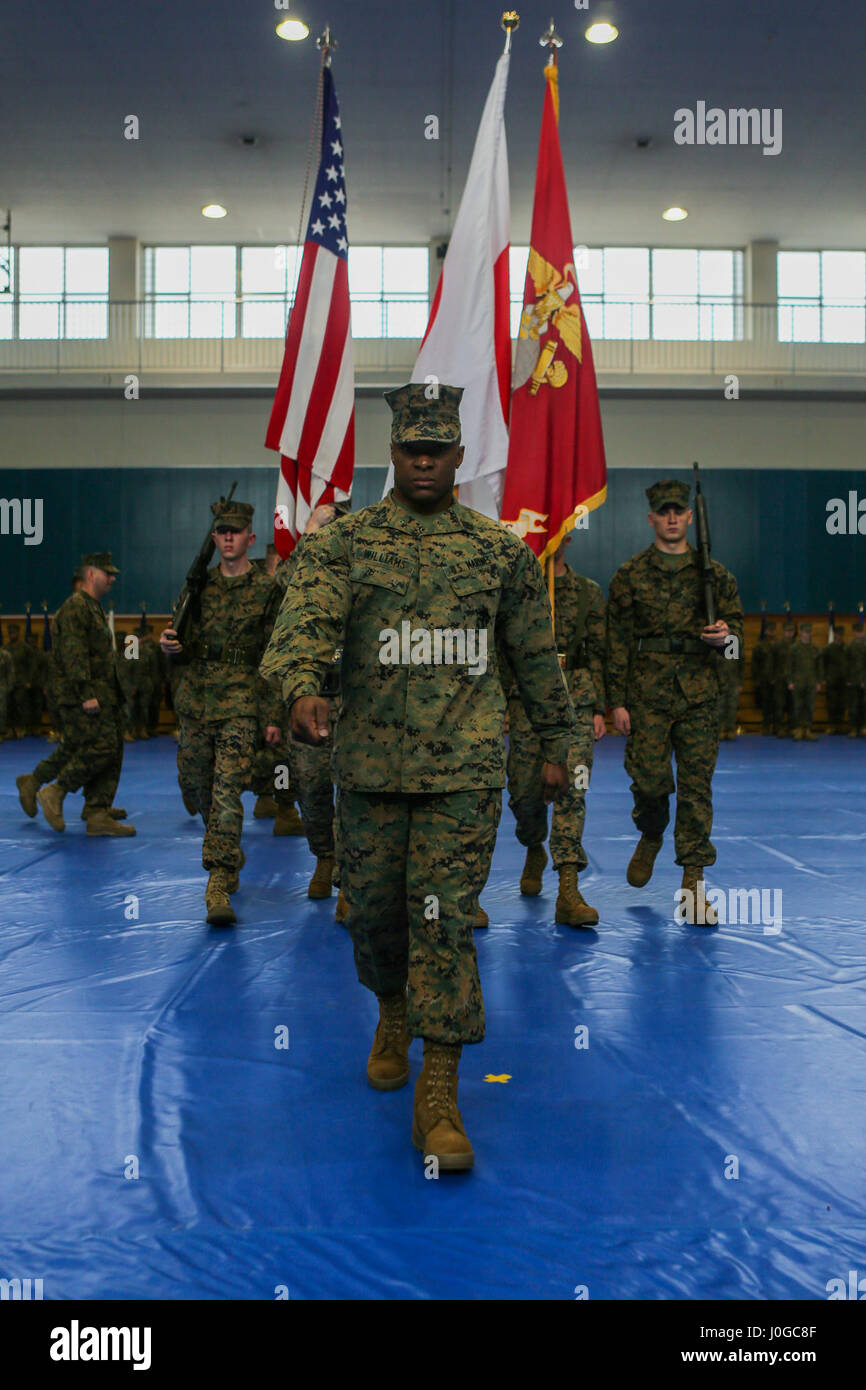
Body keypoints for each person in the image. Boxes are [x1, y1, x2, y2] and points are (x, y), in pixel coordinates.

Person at [260, 383, 575, 1172]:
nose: (425, 461)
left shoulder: (501, 554)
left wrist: (559, 747)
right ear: (393, 454)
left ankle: (440, 1090)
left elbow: (537, 663)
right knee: (371, 918)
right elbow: (302, 627)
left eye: (438, 450)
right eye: (411, 449)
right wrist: (303, 688)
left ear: (460, 457)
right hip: (366, 771)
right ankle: (391, 1011)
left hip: (463, 777)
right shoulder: (347, 544)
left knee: (444, 923)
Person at [606, 479, 744, 927]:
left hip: (699, 693)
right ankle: (651, 831)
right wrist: (616, 702)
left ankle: (693, 886)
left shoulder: (716, 577)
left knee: (697, 787)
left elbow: (739, 644)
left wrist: (727, 639)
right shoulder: (630, 575)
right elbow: (617, 643)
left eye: (677, 511)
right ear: (651, 519)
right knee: (648, 781)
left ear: (688, 517)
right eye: (662, 511)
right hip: (646, 693)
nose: (670, 518)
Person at [160, 498, 283, 927]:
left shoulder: (268, 591)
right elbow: (177, 641)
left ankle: (218, 878)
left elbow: (273, 657)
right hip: (196, 702)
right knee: (197, 787)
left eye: (236, 532)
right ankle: (226, 847)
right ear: (214, 538)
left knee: (228, 790)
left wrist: (272, 716)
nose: (228, 538)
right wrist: (169, 648)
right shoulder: (198, 586)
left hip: (241, 704)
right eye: (222, 532)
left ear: (249, 538)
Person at [506, 532, 606, 926]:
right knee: (523, 793)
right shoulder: (515, 589)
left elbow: (599, 652)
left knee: (573, 789)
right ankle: (533, 843)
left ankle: (568, 886)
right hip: (525, 700)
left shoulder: (587, 592)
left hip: (575, 699)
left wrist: (599, 706)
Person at [29, 553, 135, 837]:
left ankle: (97, 811)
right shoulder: (77, 607)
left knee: (112, 748)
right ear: (91, 575)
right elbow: (74, 655)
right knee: (102, 747)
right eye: (107, 573)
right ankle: (55, 790)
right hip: (86, 695)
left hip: (103, 694)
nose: (112, 579)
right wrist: (86, 693)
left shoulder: (92, 607)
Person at [787, 621, 823, 741]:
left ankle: (807, 729)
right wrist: (790, 681)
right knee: (798, 706)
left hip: (811, 681)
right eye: (805, 632)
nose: (808, 634)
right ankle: (799, 729)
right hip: (798, 682)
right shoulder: (794, 649)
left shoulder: (815, 649)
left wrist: (819, 682)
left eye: (809, 632)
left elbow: (819, 667)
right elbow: (789, 666)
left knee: (809, 707)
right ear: (801, 633)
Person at [751, 618, 777, 735]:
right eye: (769, 630)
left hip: (777, 680)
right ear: (765, 631)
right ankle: (766, 727)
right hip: (764, 679)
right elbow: (755, 664)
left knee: (777, 704)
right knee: (766, 704)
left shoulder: (778, 645)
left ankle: (776, 727)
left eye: (773, 630)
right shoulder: (759, 646)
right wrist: (756, 679)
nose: (771, 632)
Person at [771, 620, 797, 737]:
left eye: (791, 631)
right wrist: (772, 677)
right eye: (787, 631)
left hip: (793, 679)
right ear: (783, 632)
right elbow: (771, 662)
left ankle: (792, 728)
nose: (789, 633)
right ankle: (779, 728)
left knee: (793, 705)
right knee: (779, 705)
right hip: (780, 678)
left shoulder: (797, 646)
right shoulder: (777, 645)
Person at [822, 625, 848, 735]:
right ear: (835, 635)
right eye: (838, 634)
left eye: (841, 634)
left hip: (844, 680)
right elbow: (823, 664)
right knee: (832, 704)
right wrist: (823, 678)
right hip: (831, 680)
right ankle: (832, 726)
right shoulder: (828, 648)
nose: (839, 636)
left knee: (842, 704)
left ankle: (840, 726)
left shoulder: (847, 648)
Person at [846, 625, 866, 737]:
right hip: (853, 680)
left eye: (861, 631)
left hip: (864, 679)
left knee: (864, 704)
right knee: (853, 705)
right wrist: (848, 678)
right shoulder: (849, 646)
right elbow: (845, 664)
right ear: (853, 632)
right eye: (857, 632)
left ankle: (863, 727)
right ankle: (853, 728)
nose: (859, 634)